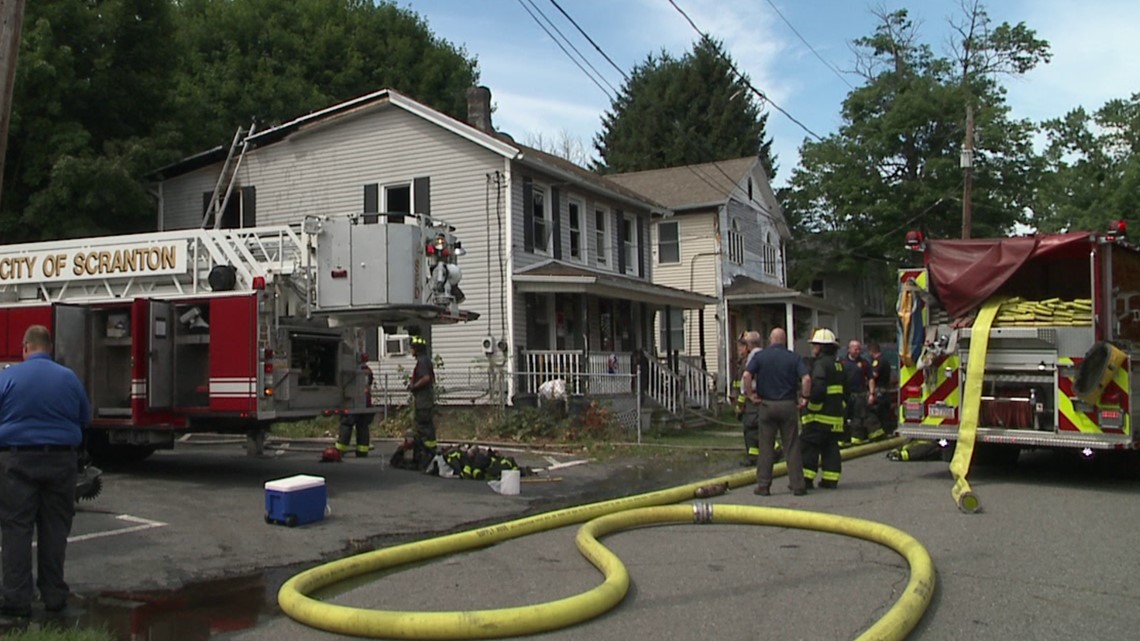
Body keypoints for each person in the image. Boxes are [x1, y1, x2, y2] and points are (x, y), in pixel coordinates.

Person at [0, 325, 89, 618]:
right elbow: (84, 416)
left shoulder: (8, 376)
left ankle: (16, 599)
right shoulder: (68, 378)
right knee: (55, 529)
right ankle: (53, 595)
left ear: (25, 347)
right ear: (48, 348)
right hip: (61, 461)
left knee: (16, 528)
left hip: (17, 460)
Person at [742, 328, 809, 496]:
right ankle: (798, 485)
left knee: (766, 447)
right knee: (792, 446)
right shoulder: (793, 357)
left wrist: (750, 395)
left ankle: (763, 485)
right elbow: (807, 378)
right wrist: (805, 397)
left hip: (766, 405)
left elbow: (746, 376)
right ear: (784, 340)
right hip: (787, 405)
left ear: (770, 340)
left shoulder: (760, 357)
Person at [800, 329, 847, 489]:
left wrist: (810, 406)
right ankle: (830, 479)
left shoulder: (820, 365)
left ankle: (805, 480)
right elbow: (846, 392)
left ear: (822, 347)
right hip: (836, 418)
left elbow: (818, 390)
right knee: (831, 448)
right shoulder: (839, 365)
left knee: (808, 448)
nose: (813, 348)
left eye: (815, 345)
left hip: (819, 418)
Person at [840, 339, 880, 444]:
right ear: (849, 349)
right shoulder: (842, 362)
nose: (858, 351)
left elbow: (871, 378)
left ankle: (856, 439)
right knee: (842, 417)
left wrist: (871, 394)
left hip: (859, 395)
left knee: (857, 418)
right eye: (855, 349)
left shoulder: (864, 363)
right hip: (845, 396)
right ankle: (842, 439)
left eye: (859, 349)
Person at [407, 335, 437, 469]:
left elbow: (426, 378)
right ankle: (426, 455)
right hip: (424, 401)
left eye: (412, 348)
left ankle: (426, 455)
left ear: (417, 349)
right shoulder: (424, 360)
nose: (411, 350)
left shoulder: (423, 361)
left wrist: (414, 386)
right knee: (424, 429)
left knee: (423, 429)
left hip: (423, 402)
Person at [336, 357, 374, 458]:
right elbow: (368, 386)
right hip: (365, 403)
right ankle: (362, 451)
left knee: (347, 424)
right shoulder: (368, 371)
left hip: (353, 401)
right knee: (363, 427)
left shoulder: (354, 371)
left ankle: (340, 450)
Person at [734, 332, 761, 466]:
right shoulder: (748, 361)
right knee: (750, 430)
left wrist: (740, 404)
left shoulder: (750, 362)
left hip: (751, 401)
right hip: (751, 400)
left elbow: (745, 385)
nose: (739, 350)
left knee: (752, 428)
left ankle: (775, 448)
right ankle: (753, 456)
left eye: (741, 346)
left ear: (748, 347)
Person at [867, 342, 895, 437]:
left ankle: (885, 433)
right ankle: (888, 432)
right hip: (885, 391)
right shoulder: (885, 360)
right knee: (885, 414)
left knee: (880, 413)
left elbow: (874, 375)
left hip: (880, 392)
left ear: (871, 351)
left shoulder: (878, 361)